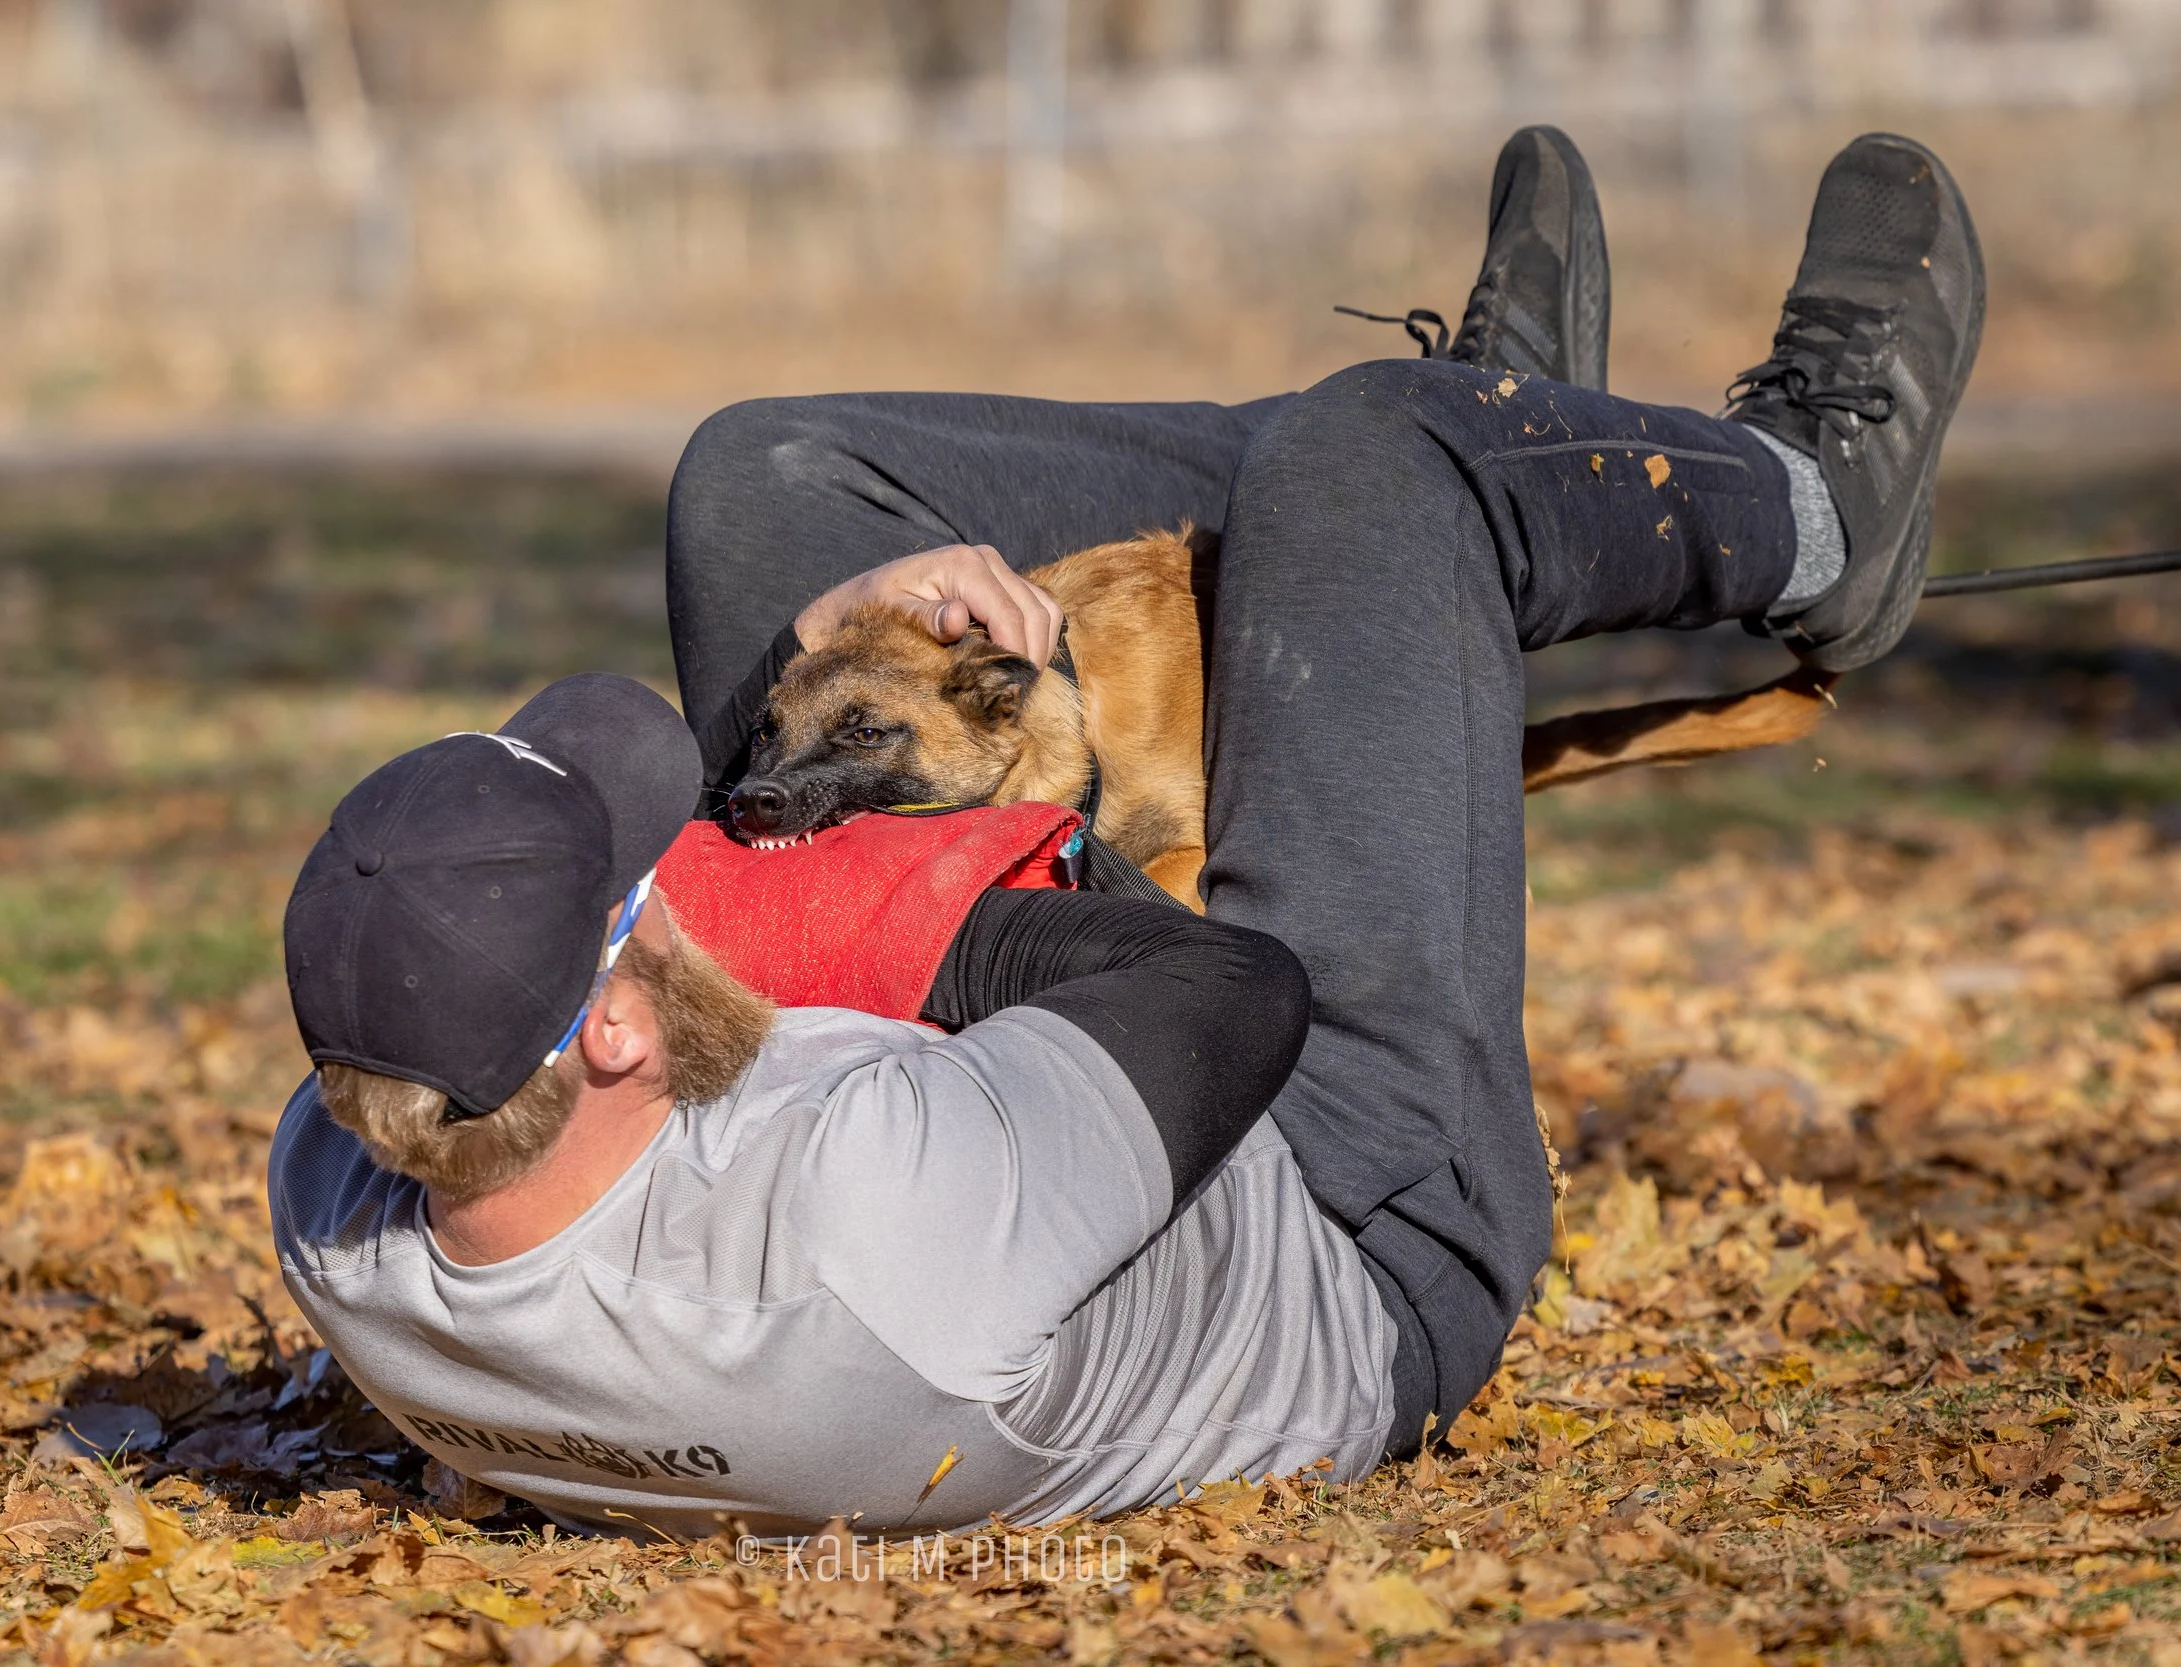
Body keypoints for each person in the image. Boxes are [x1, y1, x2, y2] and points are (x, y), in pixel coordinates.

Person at [269, 127, 1984, 1539]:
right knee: (1362, 457)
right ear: (622, 1026)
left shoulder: (346, 1187)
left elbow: (480, 1019)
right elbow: (1220, 989)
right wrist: (940, 855)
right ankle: (1808, 501)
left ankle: (1494, 460)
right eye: (653, 878)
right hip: (1340, 1201)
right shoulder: (882, 1240)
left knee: (755, 474)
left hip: (1010, 1105)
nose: (704, 835)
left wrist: (829, 692)